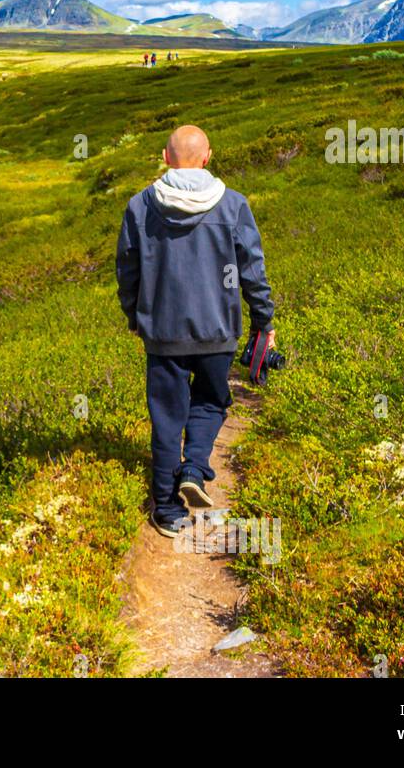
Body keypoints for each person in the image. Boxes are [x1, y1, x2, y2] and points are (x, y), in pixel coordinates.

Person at [115, 125, 275, 537]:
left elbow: (127, 270)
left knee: (166, 418)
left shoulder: (139, 206)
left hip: (163, 332)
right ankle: (194, 466)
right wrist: (263, 323)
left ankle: (167, 510)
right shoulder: (233, 205)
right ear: (208, 157)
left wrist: (135, 316)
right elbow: (252, 272)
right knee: (210, 401)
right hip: (217, 329)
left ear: (165, 158)